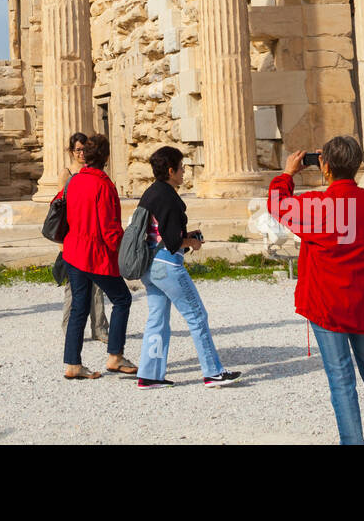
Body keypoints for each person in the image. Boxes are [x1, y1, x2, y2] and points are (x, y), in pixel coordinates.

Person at [269, 136, 364, 445]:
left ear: (325, 166)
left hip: (327, 303)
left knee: (341, 378)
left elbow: (278, 206)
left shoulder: (315, 206)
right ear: (358, 165)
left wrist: (287, 173)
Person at [135, 146, 239, 388]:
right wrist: (192, 241)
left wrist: (186, 235)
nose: (184, 173)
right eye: (181, 168)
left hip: (149, 265)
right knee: (197, 315)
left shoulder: (151, 193)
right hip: (167, 265)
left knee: (157, 319)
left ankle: (150, 375)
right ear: (171, 171)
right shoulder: (169, 197)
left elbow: (159, 232)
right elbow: (172, 242)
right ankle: (213, 372)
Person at [58, 134, 135, 380]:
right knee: (122, 299)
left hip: (73, 250)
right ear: (106, 157)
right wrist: (127, 252)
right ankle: (115, 356)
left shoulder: (74, 181)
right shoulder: (103, 185)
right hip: (94, 253)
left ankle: (73, 364)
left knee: (79, 306)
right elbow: (109, 229)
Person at [57, 132, 109, 344]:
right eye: (77, 150)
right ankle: (69, 328)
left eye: (83, 149)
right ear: (71, 152)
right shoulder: (67, 174)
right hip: (74, 235)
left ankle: (100, 328)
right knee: (74, 287)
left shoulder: (94, 173)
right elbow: (61, 209)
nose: (81, 153)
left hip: (93, 234)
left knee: (98, 284)